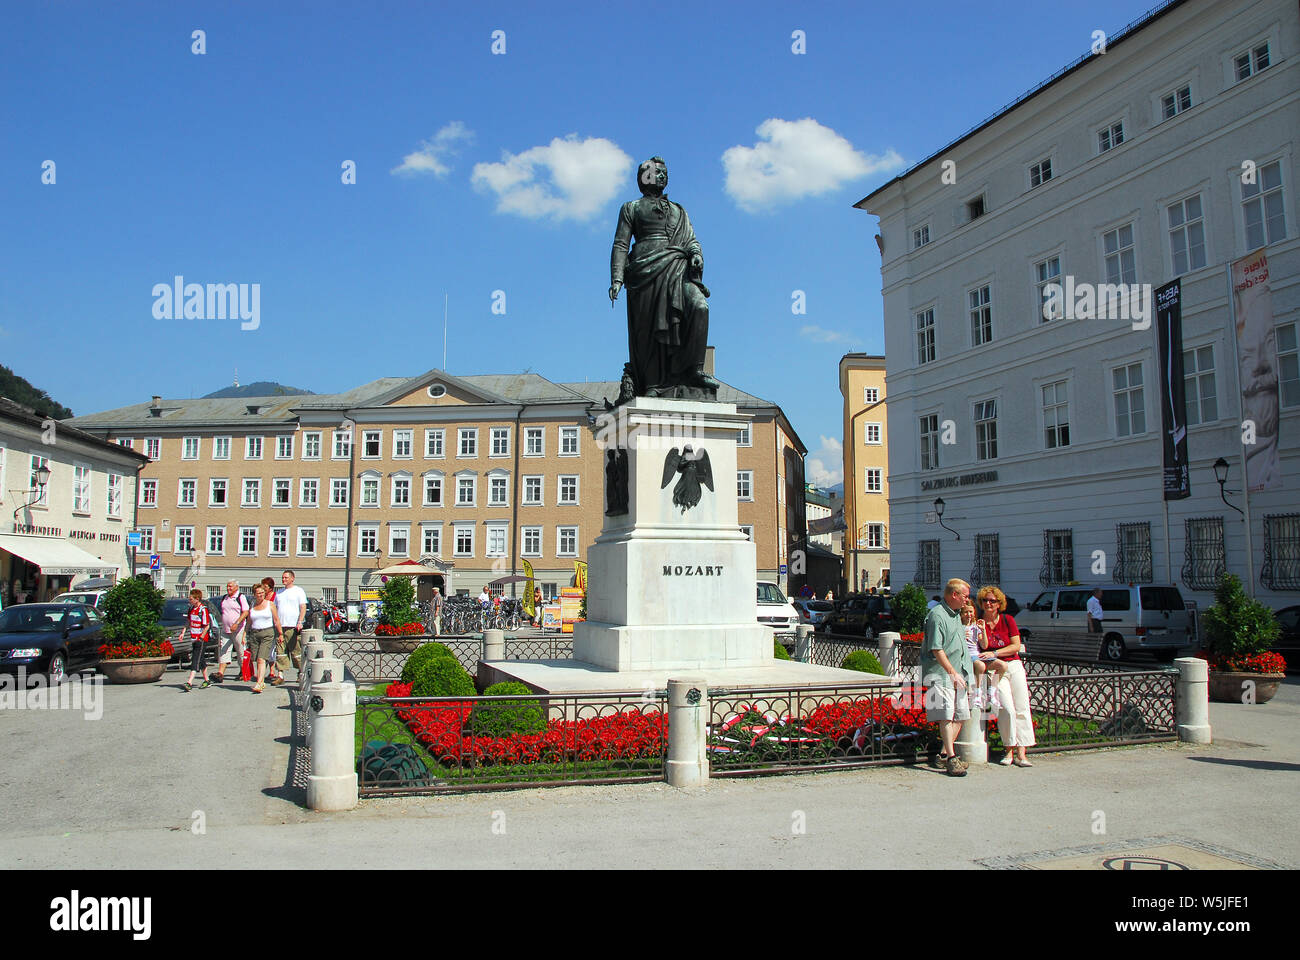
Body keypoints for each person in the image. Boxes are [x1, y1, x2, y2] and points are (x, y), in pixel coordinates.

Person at [608, 156, 719, 398]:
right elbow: (620, 244)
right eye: (656, 172)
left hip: (677, 268)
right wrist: (617, 278)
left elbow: (691, 239)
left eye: (664, 173)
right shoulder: (631, 208)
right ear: (643, 177)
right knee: (650, 330)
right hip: (645, 271)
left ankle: (693, 369)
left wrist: (696, 254)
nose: (662, 176)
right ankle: (654, 384)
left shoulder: (679, 210)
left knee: (699, 306)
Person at [976, 585, 1035, 767]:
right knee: (1005, 708)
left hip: (1013, 665)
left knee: (1022, 706)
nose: (988, 604)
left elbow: (1015, 646)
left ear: (999, 603)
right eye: (985, 600)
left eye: (992, 601)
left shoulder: (1008, 619)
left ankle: (1022, 752)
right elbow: (980, 647)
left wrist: (996, 653)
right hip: (994, 669)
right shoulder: (979, 623)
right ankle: (1008, 748)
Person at [920, 578, 973, 776]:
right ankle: (951, 758)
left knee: (961, 716)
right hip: (941, 673)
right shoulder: (937, 616)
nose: (967, 601)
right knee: (946, 716)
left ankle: (943, 755)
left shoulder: (956, 615)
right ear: (954, 595)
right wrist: (951, 671)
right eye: (965, 597)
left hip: (958, 673)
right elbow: (936, 648)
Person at [231, 582, 283, 694]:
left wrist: (280, 633)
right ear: (254, 594)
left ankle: (259, 682)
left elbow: (276, 620)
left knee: (261, 658)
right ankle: (261, 681)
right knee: (255, 658)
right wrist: (245, 634)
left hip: (267, 633)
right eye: (258, 593)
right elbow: (249, 621)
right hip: (254, 634)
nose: (261, 595)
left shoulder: (270, 604)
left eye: (262, 592)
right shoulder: (253, 605)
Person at [961, 601, 1004, 712]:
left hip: (977, 655)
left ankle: (992, 692)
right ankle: (978, 693)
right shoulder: (959, 626)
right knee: (980, 666)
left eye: (970, 611)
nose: (969, 614)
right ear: (961, 614)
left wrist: (983, 629)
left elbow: (984, 645)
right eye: (966, 612)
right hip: (967, 656)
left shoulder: (976, 626)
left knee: (1002, 665)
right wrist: (960, 634)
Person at [211, 580, 249, 683]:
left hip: (238, 629)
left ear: (236, 587)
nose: (228, 588)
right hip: (225, 629)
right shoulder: (225, 598)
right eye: (227, 586)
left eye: (231, 586)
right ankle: (220, 673)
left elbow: (245, 612)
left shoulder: (240, 597)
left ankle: (243, 671)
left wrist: (237, 623)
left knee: (240, 651)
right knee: (223, 650)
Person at [276, 570, 308, 678]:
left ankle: (301, 673)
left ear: (292, 578)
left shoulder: (298, 591)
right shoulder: (279, 592)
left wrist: (300, 622)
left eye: (286, 577)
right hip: (280, 627)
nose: (283, 579)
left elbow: (303, 607)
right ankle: (280, 674)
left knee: (296, 652)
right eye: (283, 578)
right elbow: (275, 609)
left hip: (293, 626)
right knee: (280, 651)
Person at [182, 588, 214, 692]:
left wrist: (201, 637)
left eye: (191, 599)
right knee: (201, 660)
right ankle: (207, 680)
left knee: (195, 659)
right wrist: (183, 632)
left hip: (201, 639)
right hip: (193, 638)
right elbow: (188, 621)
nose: (189, 601)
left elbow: (207, 625)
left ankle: (189, 682)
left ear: (197, 599)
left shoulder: (203, 610)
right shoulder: (191, 609)